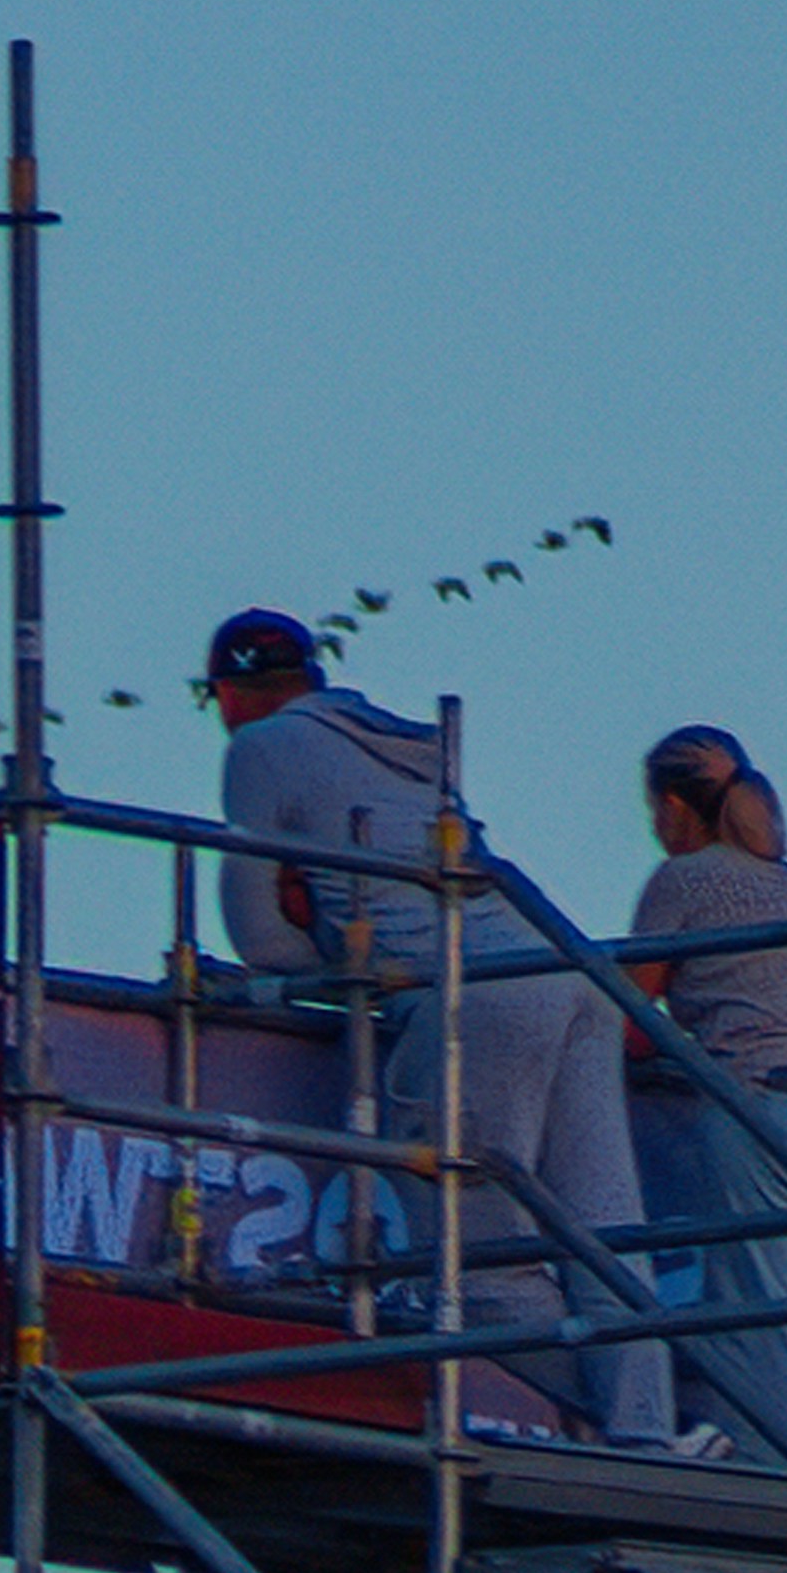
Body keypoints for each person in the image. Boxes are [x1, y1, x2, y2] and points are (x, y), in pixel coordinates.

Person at [201, 608, 680, 1451]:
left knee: (477, 1252)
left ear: (228, 694)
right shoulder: (399, 749)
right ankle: (650, 1422)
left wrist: (311, 944)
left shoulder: (259, 749)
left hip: (469, 998)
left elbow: (256, 938)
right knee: (605, 1233)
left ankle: (603, 1429)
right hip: (562, 971)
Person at [627, 722, 787, 1467]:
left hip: (763, 1102)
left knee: (763, 1312)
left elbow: (630, 1015)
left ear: (670, 806)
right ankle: (767, 1447)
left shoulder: (685, 879)